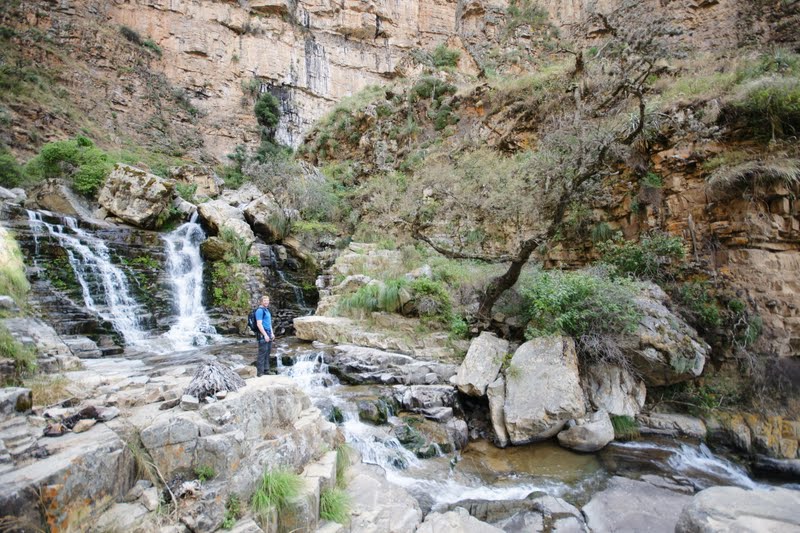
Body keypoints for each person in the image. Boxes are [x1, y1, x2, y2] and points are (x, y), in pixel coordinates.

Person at [255, 295, 275, 376]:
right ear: (261, 301)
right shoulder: (259, 311)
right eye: (265, 301)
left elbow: (269, 323)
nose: (266, 302)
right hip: (263, 335)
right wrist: (265, 335)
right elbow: (259, 324)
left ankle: (266, 370)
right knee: (262, 353)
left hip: (269, 333)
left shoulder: (266, 310)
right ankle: (260, 372)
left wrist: (272, 333)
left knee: (268, 352)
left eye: (267, 300)